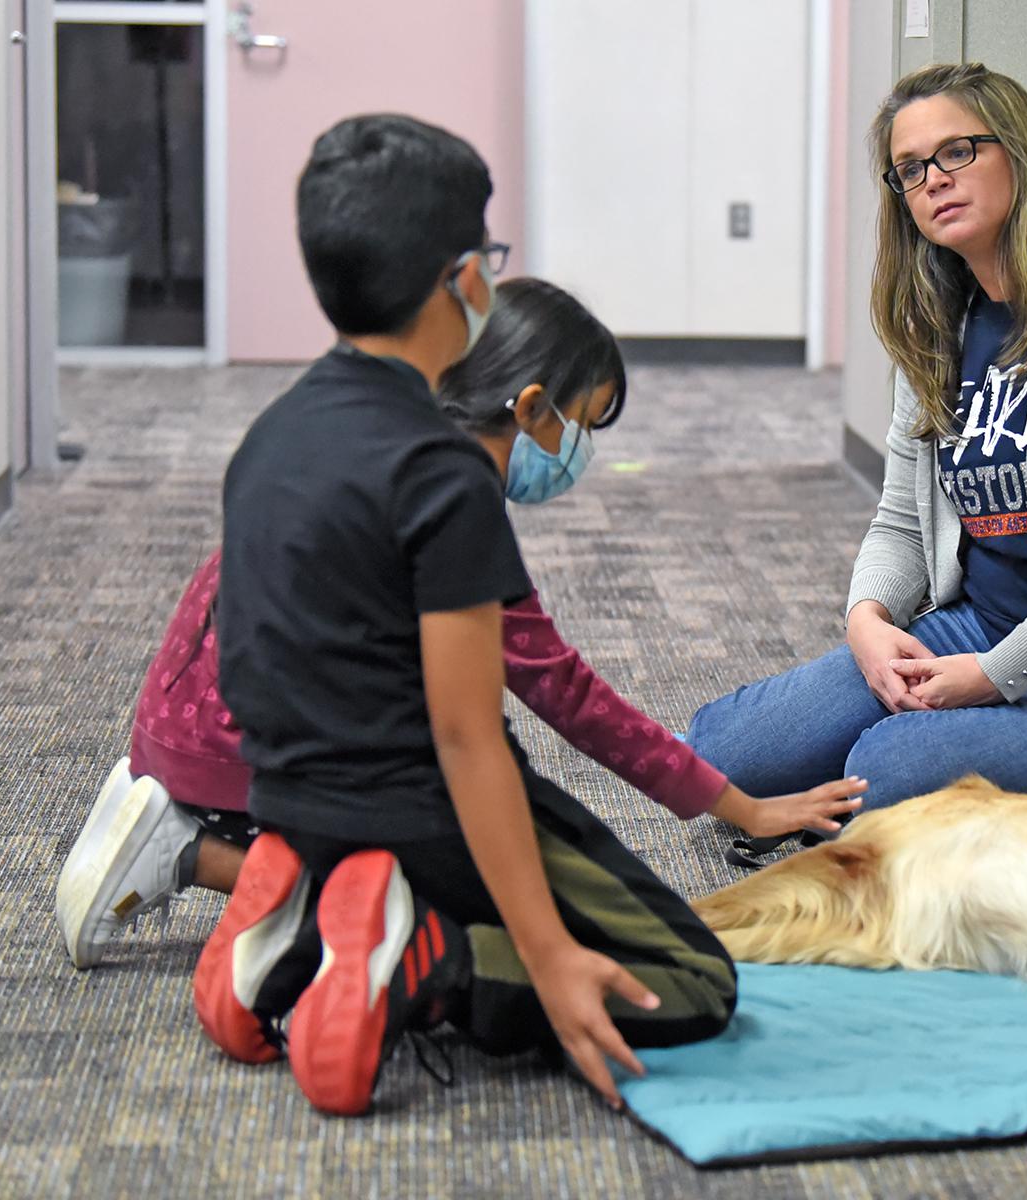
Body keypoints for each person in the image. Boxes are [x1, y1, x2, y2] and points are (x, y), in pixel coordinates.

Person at [105, 113, 774, 1119]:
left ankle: (299, 925)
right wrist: (542, 955)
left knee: (416, 853)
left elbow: (255, 662)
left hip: (290, 804)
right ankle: (423, 960)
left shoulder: (273, 434)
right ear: (464, 279)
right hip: (415, 814)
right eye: (489, 260)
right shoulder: (443, 476)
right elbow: (467, 743)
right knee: (692, 980)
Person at [54, 278, 863, 972]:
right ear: (533, 408)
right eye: (584, 425)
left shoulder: (377, 428)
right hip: (243, 756)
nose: (580, 454)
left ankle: (198, 832)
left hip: (182, 722)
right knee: (435, 898)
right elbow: (571, 697)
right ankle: (196, 851)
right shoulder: (449, 503)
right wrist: (744, 810)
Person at [687, 62, 1027, 832]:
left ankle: (876, 810)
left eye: (958, 152)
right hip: (975, 630)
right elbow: (903, 523)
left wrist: (994, 676)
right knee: (726, 754)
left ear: (1019, 151)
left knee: (885, 767)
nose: (934, 180)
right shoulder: (945, 322)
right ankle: (874, 809)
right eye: (911, 169)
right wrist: (868, 623)